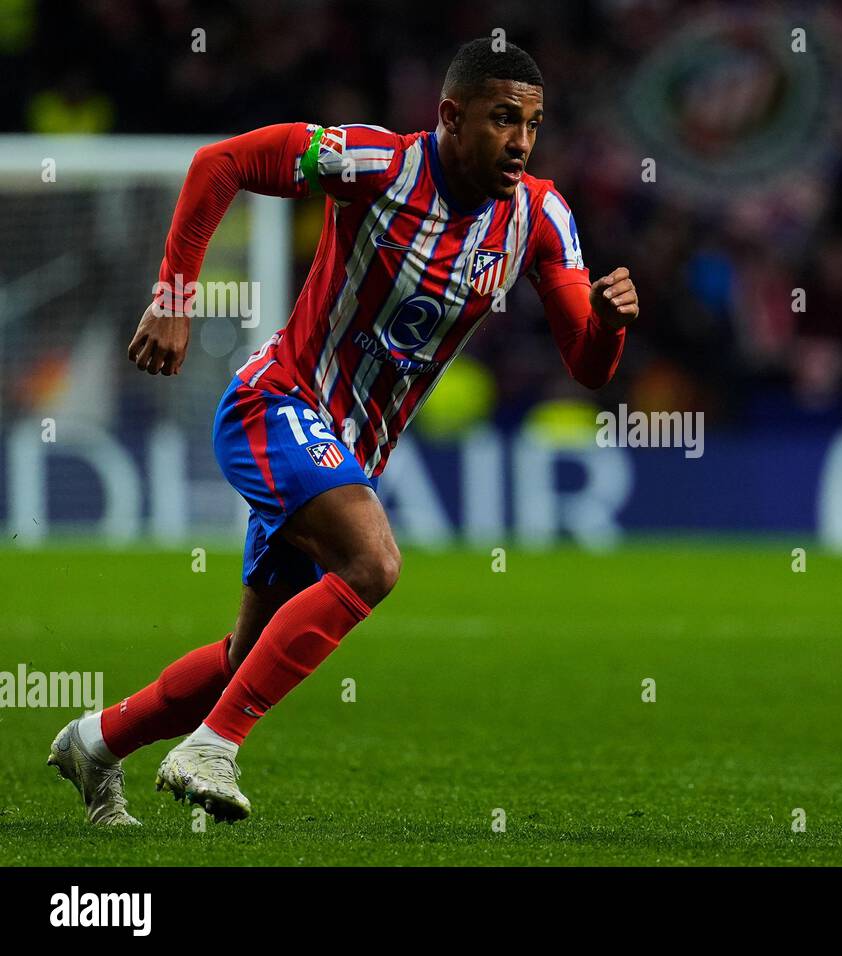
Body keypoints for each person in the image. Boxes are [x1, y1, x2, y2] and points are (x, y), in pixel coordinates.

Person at [47, 37, 638, 824]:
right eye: (503, 120)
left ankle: (94, 743)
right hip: (277, 403)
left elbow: (589, 365)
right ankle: (212, 748)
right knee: (373, 561)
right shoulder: (376, 165)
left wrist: (607, 322)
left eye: (532, 123)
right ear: (450, 117)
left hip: (350, 450)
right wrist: (174, 295)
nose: (521, 142)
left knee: (242, 661)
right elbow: (219, 164)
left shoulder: (540, 214)